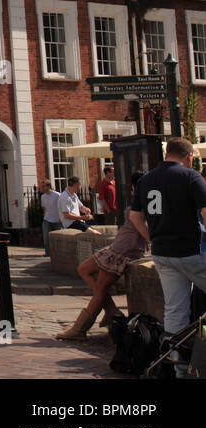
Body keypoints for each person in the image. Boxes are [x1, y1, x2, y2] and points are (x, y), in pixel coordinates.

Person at [129, 137, 206, 376]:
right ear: (189, 157)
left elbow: (135, 217)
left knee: (175, 309)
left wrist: (152, 239)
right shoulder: (191, 177)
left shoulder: (146, 179)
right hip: (191, 252)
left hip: (162, 253)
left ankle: (178, 365)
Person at [56, 172, 148, 340]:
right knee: (83, 269)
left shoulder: (142, 204)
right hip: (116, 247)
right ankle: (111, 309)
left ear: (134, 187)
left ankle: (79, 329)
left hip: (123, 251)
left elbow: (145, 229)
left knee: (100, 289)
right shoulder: (140, 202)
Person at [39, 179, 62, 256]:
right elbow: (45, 208)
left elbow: (61, 207)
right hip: (47, 220)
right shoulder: (43, 197)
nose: (41, 188)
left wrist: (61, 218)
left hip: (57, 220)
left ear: (48, 186)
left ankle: (59, 254)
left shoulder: (57, 195)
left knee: (58, 239)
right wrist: (44, 218)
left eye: (43, 186)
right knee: (46, 239)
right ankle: (48, 254)